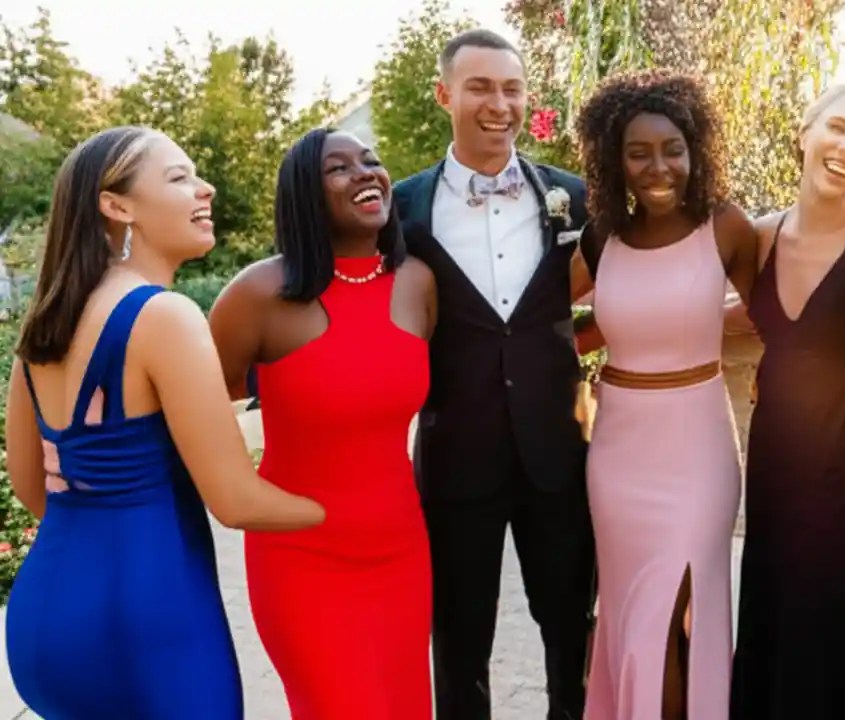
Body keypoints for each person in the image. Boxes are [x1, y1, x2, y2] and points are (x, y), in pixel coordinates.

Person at [3, 126, 324, 719]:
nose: (205, 190)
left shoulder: (44, 325)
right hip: (147, 620)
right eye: (180, 178)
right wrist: (344, 510)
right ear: (117, 206)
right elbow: (236, 501)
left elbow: (32, 488)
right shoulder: (164, 314)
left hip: (45, 618)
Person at [392, 29, 596, 720]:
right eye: (480, 87)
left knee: (572, 629)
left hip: (558, 454)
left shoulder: (572, 197)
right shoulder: (402, 209)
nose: (498, 103)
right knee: (457, 641)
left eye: (511, 89)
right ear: (445, 93)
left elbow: (609, 298)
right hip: (455, 456)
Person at [208, 128, 436, 719]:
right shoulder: (258, 294)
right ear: (305, 197)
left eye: (372, 161)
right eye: (339, 168)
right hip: (302, 559)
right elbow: (203, 415)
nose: (365, 173)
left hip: (401, 551)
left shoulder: (418, 284)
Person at [571, 69, 757, 720]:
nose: (659, 166)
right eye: (638, 152)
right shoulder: (602, 238)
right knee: (634, 612)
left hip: (698, 444)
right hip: (620, 451)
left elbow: (775, 319)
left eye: (672, 149)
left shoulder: (727, 228)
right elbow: (541, 322)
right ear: (612, 160)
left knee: (682, 609)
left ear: (695, 150)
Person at [729, 82, 845, 719]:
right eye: (837, 128)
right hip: (775, 463)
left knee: (829, 631)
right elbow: (699, 311)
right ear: (804, 132)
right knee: (768, 615)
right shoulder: (756, 237)